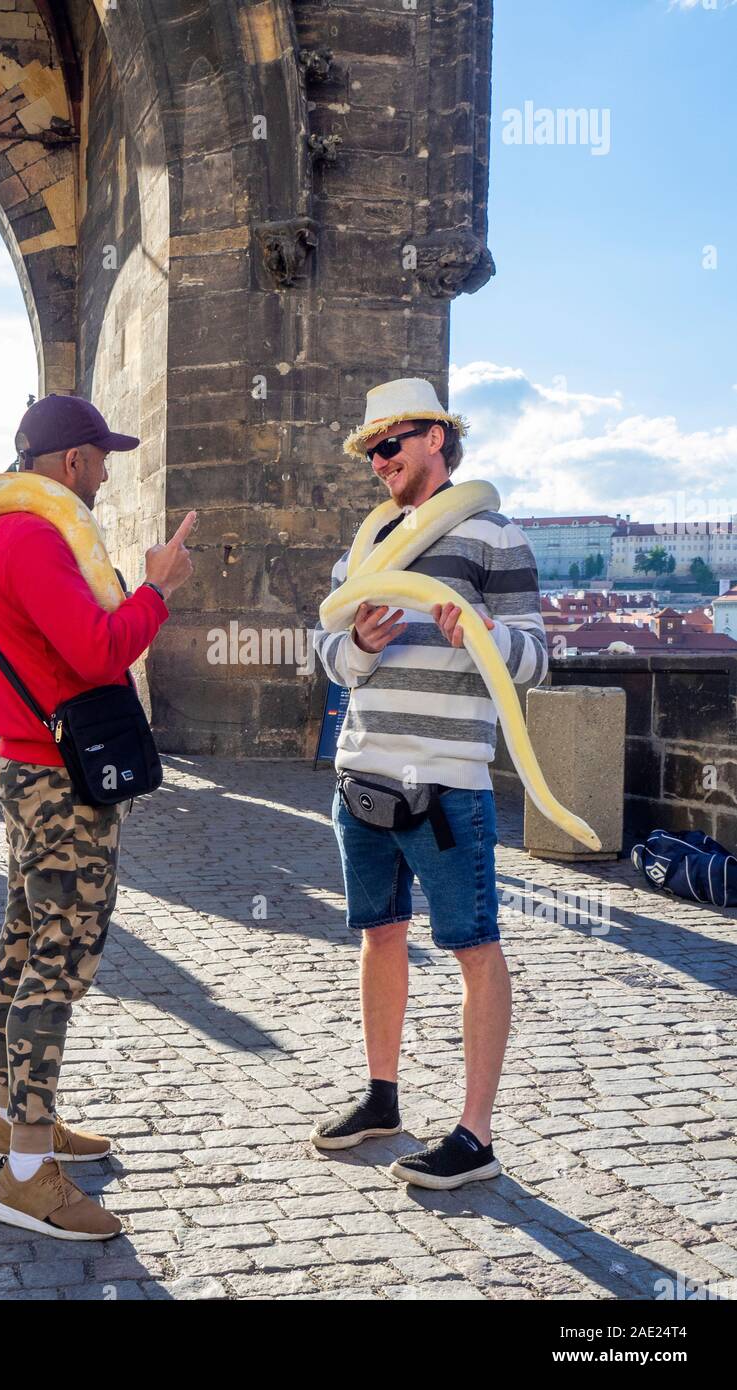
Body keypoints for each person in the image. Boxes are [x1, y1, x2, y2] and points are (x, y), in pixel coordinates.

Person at [0, 393, 195, 1240]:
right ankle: (27, 1172)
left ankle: (17, 1123)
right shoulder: (32, 538)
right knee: (60, 958)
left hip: (26, 767)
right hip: (58, 782)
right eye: (101, 457)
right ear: (70, 463)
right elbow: (99, 649)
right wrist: (156, 590)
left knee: (25, 944)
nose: (105, 471)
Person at [311, 378, 548, 1190]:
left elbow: (536, 660)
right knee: (380, 935)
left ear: (435, 439)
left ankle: (474, 1137)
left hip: (447, 783)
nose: (377, 462)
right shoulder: (368, 540)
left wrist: (483, 633)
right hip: (362, 772)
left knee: (474, 948)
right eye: (369, 449)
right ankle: (382, 1097)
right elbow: (328, 657)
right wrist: (363, 648)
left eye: (390, 445)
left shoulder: (491, 536)